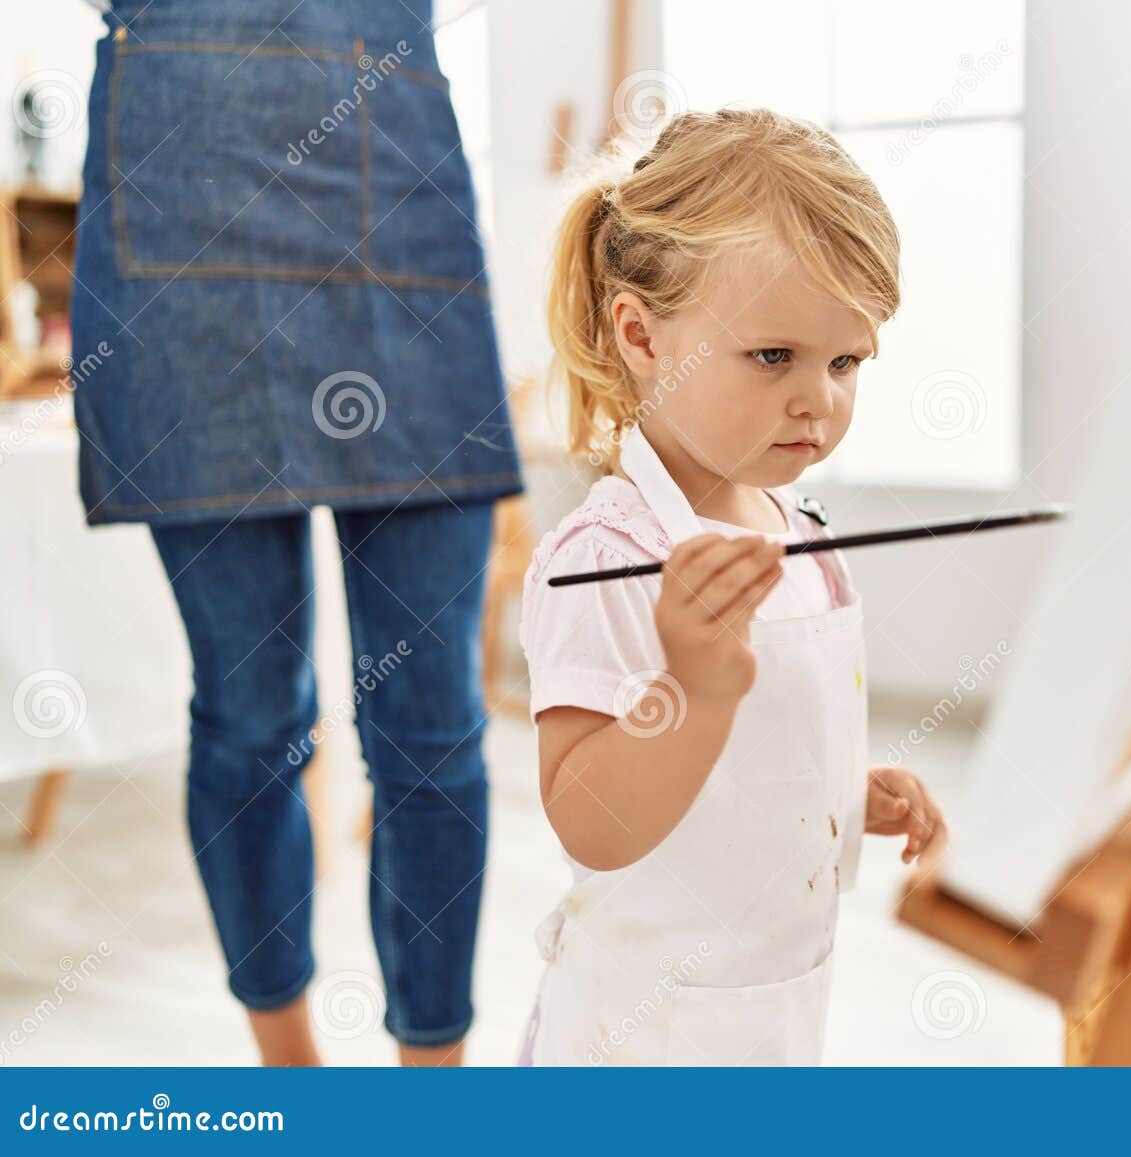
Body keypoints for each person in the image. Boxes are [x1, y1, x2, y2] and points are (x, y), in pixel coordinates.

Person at [70, 0, 521, 1065]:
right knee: (249, 715)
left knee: (433, 719)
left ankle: (433, 1079)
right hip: (183, 221)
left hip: (395, 196)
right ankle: (291, 1079)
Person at [516, 108, 946, 1066]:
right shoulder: (606, 555)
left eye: (845, 362)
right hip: (638, 1039)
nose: (818, 400)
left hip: (775, 1010)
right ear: (641, 334)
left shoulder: (802, 533)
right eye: (773, 356)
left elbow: (756, 756)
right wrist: (695, 691)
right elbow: (590, 819)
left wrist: (840, 786)